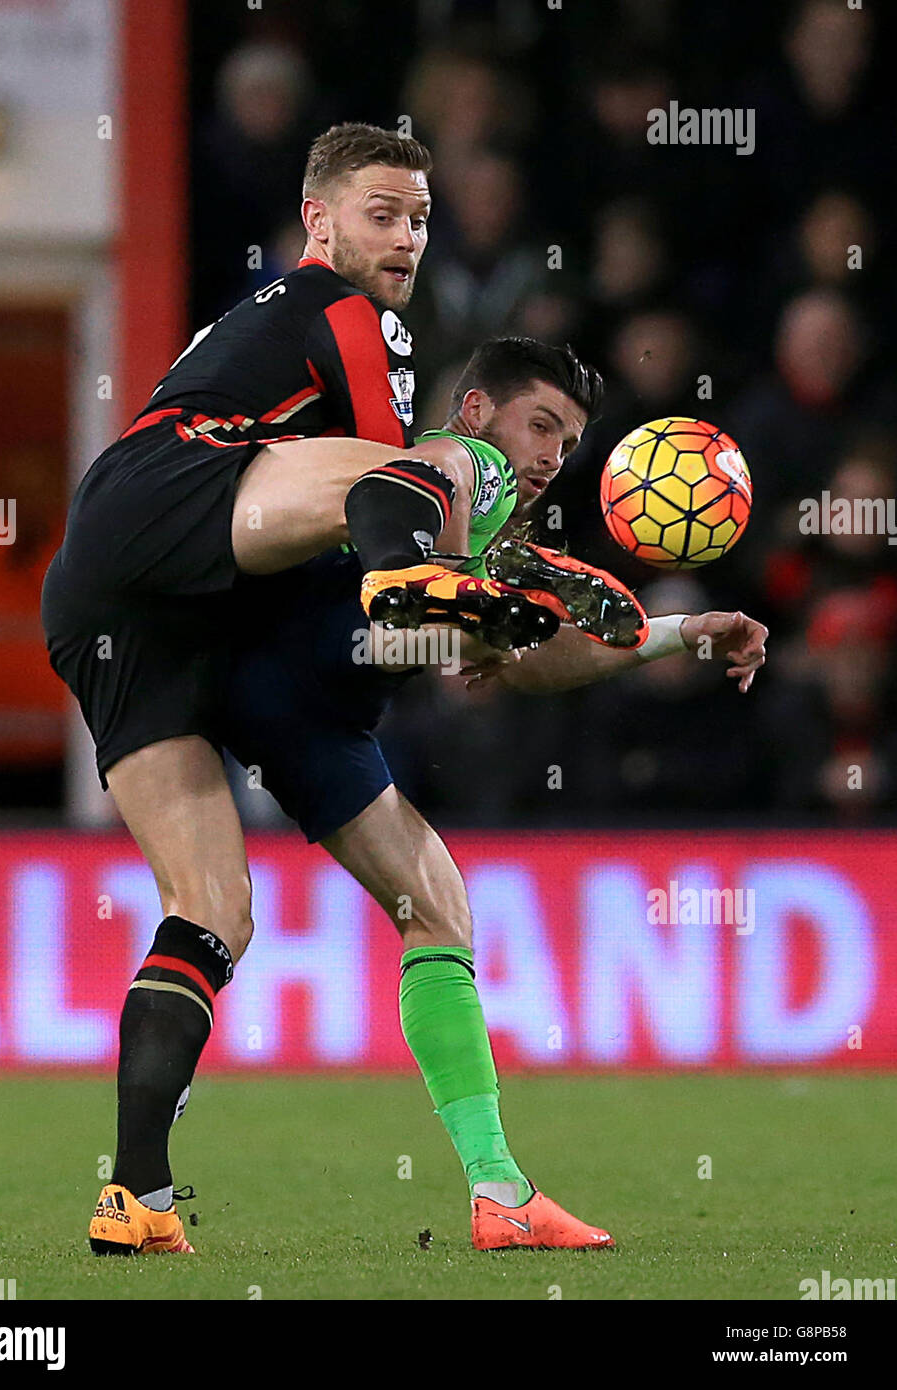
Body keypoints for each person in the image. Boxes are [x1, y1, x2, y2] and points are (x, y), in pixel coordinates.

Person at [86, 335, 768, 1255]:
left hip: (306, 710)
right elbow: (436, 468)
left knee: (392, 908)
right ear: (481, 409)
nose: (547, 458)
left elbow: (530, 669)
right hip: (320, 654)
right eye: (540, 427)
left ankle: (139, 1197)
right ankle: (426, 607)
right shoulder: (461, 463)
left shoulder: (492, 528)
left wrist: (677, 631)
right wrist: (453, 608)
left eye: (566, 446)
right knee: (424, 611)